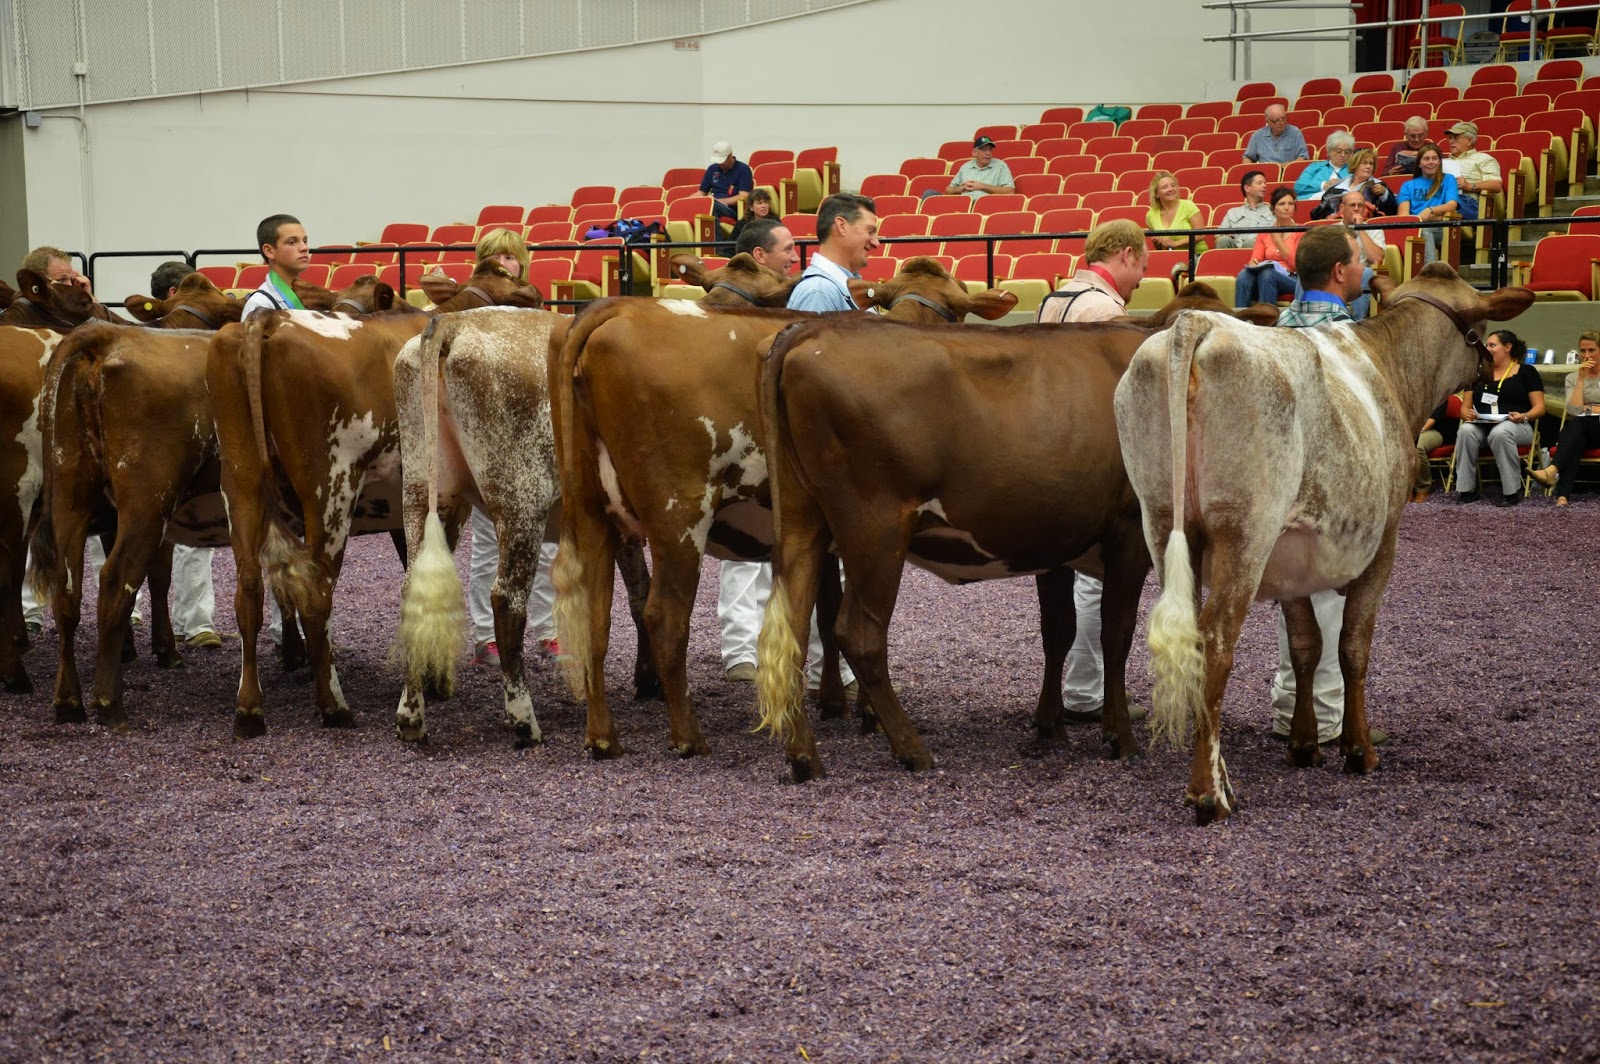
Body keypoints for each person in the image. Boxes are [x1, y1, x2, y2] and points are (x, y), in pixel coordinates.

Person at [1268, 224, 1384, 746]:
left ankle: (1289, 708)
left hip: (1275, 481)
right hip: (1335, 486)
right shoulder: (1356, 342)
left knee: (1287, 593)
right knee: (1334, 599)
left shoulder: (1272, 334)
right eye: (1359, 260)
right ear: (1339, 271)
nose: (1364, 269)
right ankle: (1331, 718)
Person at [1036, 219, 1149, 723]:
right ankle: (1087, 688)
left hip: (1047, 444)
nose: (1145, 276)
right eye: (1143, 263)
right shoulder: (1104, 309)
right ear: (1125, 255)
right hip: (1092, 451)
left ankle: (1077, 686)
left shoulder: (1055, 297)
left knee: (1062, 573)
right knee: (1096, 578)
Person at [462, 228, 560, 665]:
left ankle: (549, 629)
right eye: (495, 256)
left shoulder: (538, 313)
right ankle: (486, 634)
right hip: (487, 447)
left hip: (538, 442)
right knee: (488, 542)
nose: (505, 263)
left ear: (523, 262)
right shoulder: (466, 314)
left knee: (548, 544)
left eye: (512, 256)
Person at [149, 260, 224, 650]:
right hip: (159, 450)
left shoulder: (209, 336)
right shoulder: (146, 341)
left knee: (195, 533)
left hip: (194, 444)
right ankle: (134, 615)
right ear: (175, 296)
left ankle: (194, 622)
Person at [1454, 329, 1545, 506]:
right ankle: (1467, 490)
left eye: (1492, 345)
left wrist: (1523, 415)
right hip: (1482, 424)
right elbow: (1464, 408)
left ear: (1508, 347)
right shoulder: (1478, 374)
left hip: (1517, 425)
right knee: (1465, 430)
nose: (1487, 349)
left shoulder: (1526, 372)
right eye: (1487, 345)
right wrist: (1469, 415)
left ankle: (1512, 491)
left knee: (1500, 432)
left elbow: (1540, 408)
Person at [1530, 331, 1600, 506]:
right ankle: (1562, 496)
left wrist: (1588, 407)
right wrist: (1581, 380)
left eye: (1592, 350)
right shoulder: (1572, 378)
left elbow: (1580, 410)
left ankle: (1553, 473)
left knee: (1575, 428)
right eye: (1582, 351)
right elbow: (1575, 410)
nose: (1586, 355)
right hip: (1585, 428)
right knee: (1577, 431)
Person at [787, 193, 880, 313]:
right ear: (841, 226)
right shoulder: (819, 293)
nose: (876, 243)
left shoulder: (827, 290)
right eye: (870, 231)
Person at [1233, 186, 1299, 308]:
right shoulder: (1264, 234)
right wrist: (1254, 263)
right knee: (1244, 274)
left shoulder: (1301, 232)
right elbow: (1255, 259)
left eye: (1290, 204)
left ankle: (1266, 319)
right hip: (1266, 276)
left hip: (1293, 279)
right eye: (1282, 204)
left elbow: (1295, 264)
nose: (1286, 207)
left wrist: (1278, 239)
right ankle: (1240, 318)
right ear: (1273, 209)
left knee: (1268, 273)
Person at [1397, 142, 1460, 264]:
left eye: (1435, 158)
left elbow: (1452, 204)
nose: (1431, 162)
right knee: (1422, 230)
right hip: (1415, 226)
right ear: (1419, 164)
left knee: (1424, 230)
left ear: (1440, 162)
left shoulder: (1448, 179)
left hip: (1441, 228)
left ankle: (1431, 273)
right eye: (1426, 159)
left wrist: (1429, 210)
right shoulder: (1408, 185)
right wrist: (1427, 218)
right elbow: (1403, 216)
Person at [242, 214, 311, 317]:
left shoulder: (313, 299)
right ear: (269, 251)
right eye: (292, 242)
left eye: (304, 241)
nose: (304, 247)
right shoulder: (259, 305)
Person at [1444, 121, 1503, 223]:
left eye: (1456, 138)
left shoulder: (1483, 159)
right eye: (1450, 138)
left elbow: (1496, 185)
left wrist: (1469, 185)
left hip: (1468, 203)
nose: (1451, 141)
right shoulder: (1443, 162)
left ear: (1469, 140)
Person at [1313, 149, 1398, 219]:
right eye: (1364, 163)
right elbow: (1317, 215)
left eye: (1371, 163)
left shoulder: (1380, 186)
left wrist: (1384, 195)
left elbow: (1392, 212)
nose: (1368, 167)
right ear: (1355, 164)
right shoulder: (1335, 188)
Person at [932, 136, 1015, 200]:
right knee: (930, 194)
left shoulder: (1001, 166)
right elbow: (948, 191)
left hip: (986, 205)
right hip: (962, 204)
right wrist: (959, 189)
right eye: (984, 150)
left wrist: (983, 186)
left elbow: (1010, 192)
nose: (988, 153)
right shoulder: (966, 167)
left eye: (990, 150)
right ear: (974, 152)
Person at [1413, 396, 1461, 503]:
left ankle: (1422, 488)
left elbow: (1430, 422)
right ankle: (1408, 489)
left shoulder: (1439, 397)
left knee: (1417, 447)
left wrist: (1414, 432)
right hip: (1411, 431)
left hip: (1435, 431)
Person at [1146, 172, 1207, 252]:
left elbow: (1201, 235)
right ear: (1156, 194)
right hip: (1171, 257)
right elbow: (1159, 248)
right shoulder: (1151, 215)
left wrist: (1176, 244)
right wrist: (1159, 243)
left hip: (1195, 255)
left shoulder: (1188, 205)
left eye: (1173, 185)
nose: (1171, 189)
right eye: (1165, 187)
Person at [699, 141, 754, 227]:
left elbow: (744, 196)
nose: (720, 164)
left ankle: (716, 241)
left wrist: (718, 202)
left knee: (711, 207)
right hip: (715, 203)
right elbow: (701, 193)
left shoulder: (743, 169)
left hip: (731, 209)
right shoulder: (712, 169)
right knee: (699, 206)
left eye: (723, 161)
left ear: (730, 155)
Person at [1215, 170, 1274, 249]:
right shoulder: (1232, 212)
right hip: (1234, 251)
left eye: (1265, 183)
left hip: (1262, 252)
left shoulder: (1273, 211)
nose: (1264, 186)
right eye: (1259, 183)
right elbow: (1218, 238)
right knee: (1223, 240)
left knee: (1251, 242)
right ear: (1247, 188)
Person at [1293, 131, 1354, 200]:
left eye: (1347, 152)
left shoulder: (1352, 170)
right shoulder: (1315, 167)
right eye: (1339, 151)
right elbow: (1299, 186)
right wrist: (1324, 185)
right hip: (1311, 202)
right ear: (1330, 151)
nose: (1343, 155)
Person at [1242, 103, 1309, 164]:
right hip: (1265, 173)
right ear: (1267, 121)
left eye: (1283, 118)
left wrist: (1287, 166)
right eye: (1276, 120)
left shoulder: (1295, 132)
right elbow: (1248, 157)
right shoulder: (1257, 136)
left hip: (1288, 172)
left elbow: (1304, 157)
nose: (1281, 123)